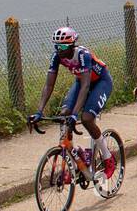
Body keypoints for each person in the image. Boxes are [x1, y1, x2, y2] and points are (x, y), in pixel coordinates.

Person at [29, 26, 118, 181]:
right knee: (64, 114)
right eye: (56, 46)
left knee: (86, 118)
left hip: (101, 82)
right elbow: (49, 85)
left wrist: (75, 114)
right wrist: (39, 111)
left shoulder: (83, 55)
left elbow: (85, 86)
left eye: (63, 47)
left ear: (72, 45)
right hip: (81, 81)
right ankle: (75, 161)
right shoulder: (57, 56)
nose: (59, 50)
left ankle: (107, 158)